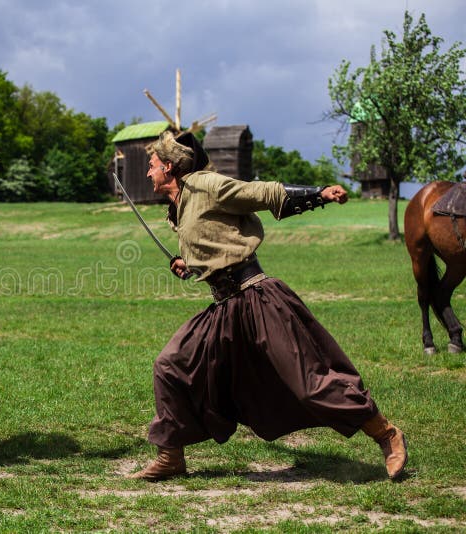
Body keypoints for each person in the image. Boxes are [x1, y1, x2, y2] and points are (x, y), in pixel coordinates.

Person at [128, 131, 407, 481]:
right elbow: (216, 243)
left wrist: (317, 193)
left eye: (151, 166)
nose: (147, 173)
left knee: (309, 381)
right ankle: (170, 455)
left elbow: (260, 194)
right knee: (170, 365)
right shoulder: (180, 207)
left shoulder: (206, 184)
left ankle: (386, 434)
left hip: (258, 298)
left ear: (168, 167)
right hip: (224, 307)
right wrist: (189, 264)